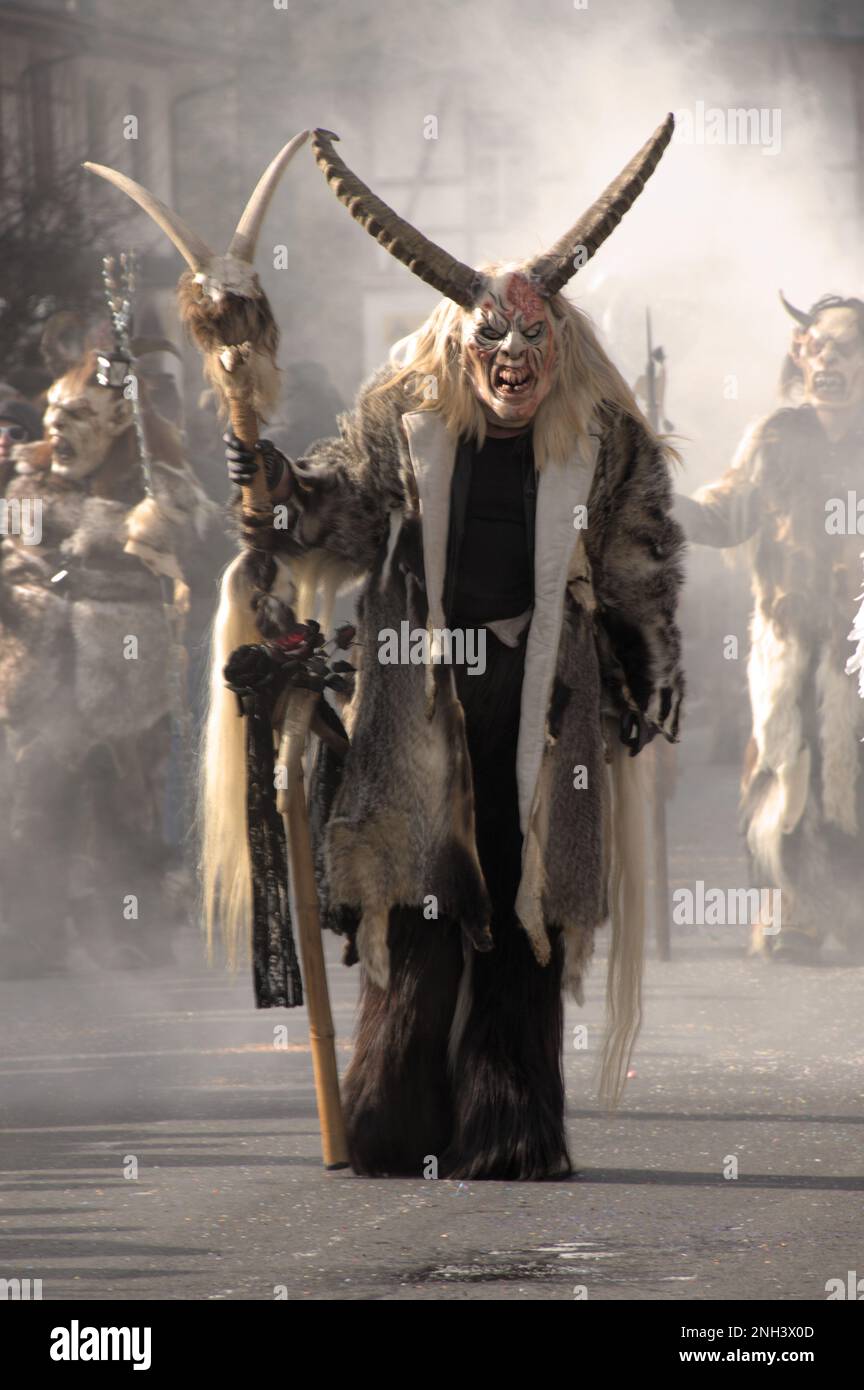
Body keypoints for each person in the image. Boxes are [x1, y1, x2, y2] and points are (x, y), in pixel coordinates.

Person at [206, 117, 685, 1178]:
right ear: (461, 348)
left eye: (531, 344)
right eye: (493, 345)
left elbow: (640, 565)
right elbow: (331, 519)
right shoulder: (401, 426)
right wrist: (270, 483)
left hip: (541, 704)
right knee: (419, 905)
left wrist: (648, 671)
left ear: (556, 348)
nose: (512, 363)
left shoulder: (605, 444)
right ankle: (396, 1115)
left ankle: (512, 1126)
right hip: (418, 706)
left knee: (525, 918)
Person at [0, 334, 217, 978]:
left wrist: (144, 529)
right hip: (40, 677)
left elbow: (196, 564)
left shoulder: (157, 485)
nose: (57, 429)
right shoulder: (28, 487)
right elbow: (12, 561)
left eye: (77, 418)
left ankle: (135, 933)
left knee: (125, 809)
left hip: (126, 682)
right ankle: (33, 933)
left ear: (119, 424)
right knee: (36, 804)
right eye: (53, 417)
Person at [675, 293, 864, 962]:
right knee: (789, 779)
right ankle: (796, 915)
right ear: (800, 356)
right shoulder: (775, 438)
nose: (830, 360)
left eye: (846, 348)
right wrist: (658, 499)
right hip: (788, 649)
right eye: (818, 347)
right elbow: (725, 515)